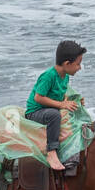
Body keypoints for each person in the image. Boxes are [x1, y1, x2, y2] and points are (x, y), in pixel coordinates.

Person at [24, 40, 85, 170]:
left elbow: (61, 94)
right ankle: (51, 151)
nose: (80, 67)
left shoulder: (65, 76)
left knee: (73, 112)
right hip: (35, 111)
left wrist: (74, 101)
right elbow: (38, 97)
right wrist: (61, 105)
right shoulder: (48, 76)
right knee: (54, 115)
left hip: (49, 107)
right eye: (78, 64)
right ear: (67, 63)